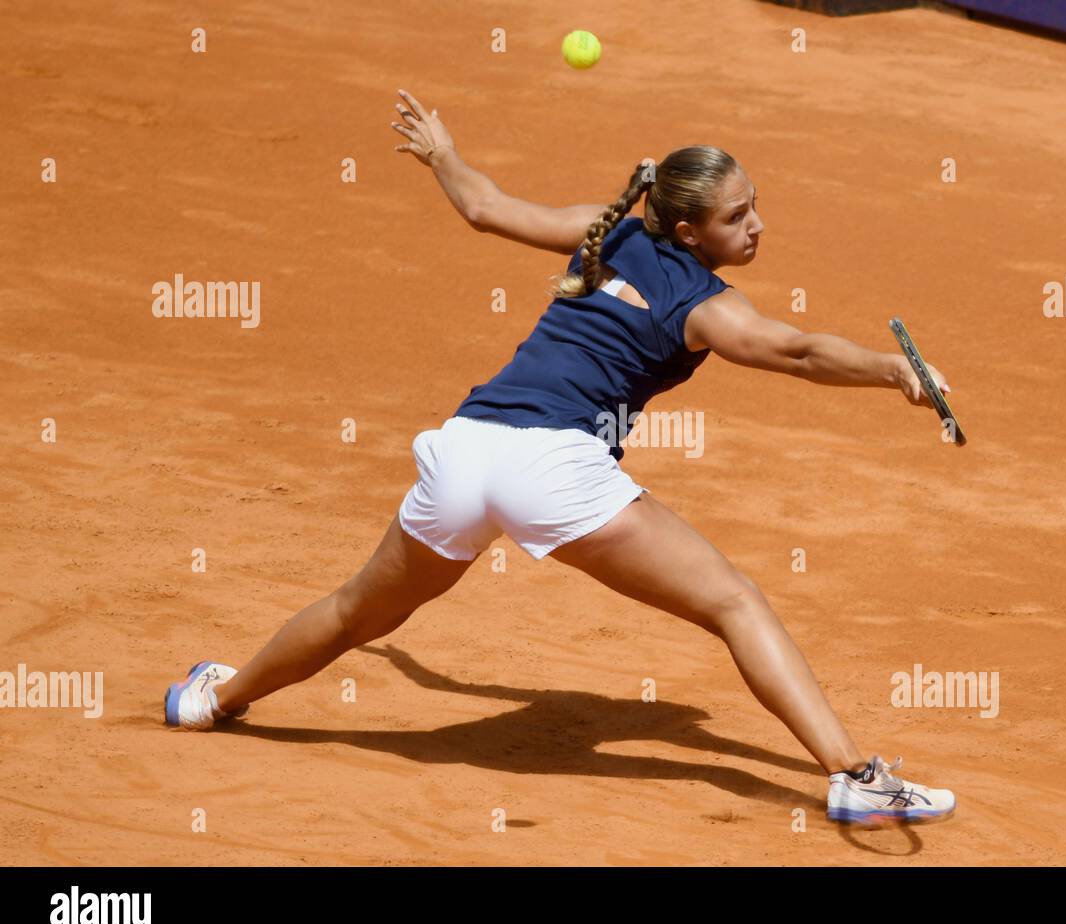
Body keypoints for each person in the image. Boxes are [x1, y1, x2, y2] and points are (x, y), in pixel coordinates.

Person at [164, 90, 957, 829]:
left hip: (465, 451)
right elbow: (797, 351)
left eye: (755, 207)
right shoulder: (709, 306)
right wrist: (894, 371)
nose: (756, 226)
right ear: (689, 234)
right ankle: (852, 776)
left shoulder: (607, 231)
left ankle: (211, 701)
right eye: (737, 216)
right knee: (735, 603)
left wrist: (442, 152)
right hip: (554, 470)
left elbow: (484, 207)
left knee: (354, 614)